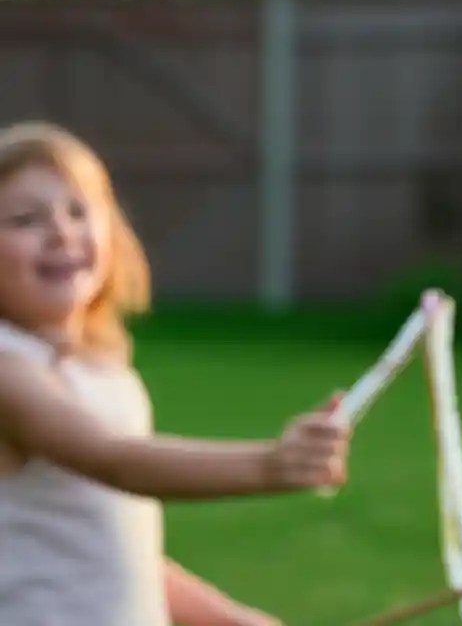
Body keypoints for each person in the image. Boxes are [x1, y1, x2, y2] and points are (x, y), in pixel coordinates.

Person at [0, 121, 350, 625]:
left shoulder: (103, 371)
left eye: (79, 210)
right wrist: (269, 465)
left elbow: (122, 551)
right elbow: (114, 461)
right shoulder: (9, 372)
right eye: (26, 219)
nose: (61, 231)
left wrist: (234, 619)